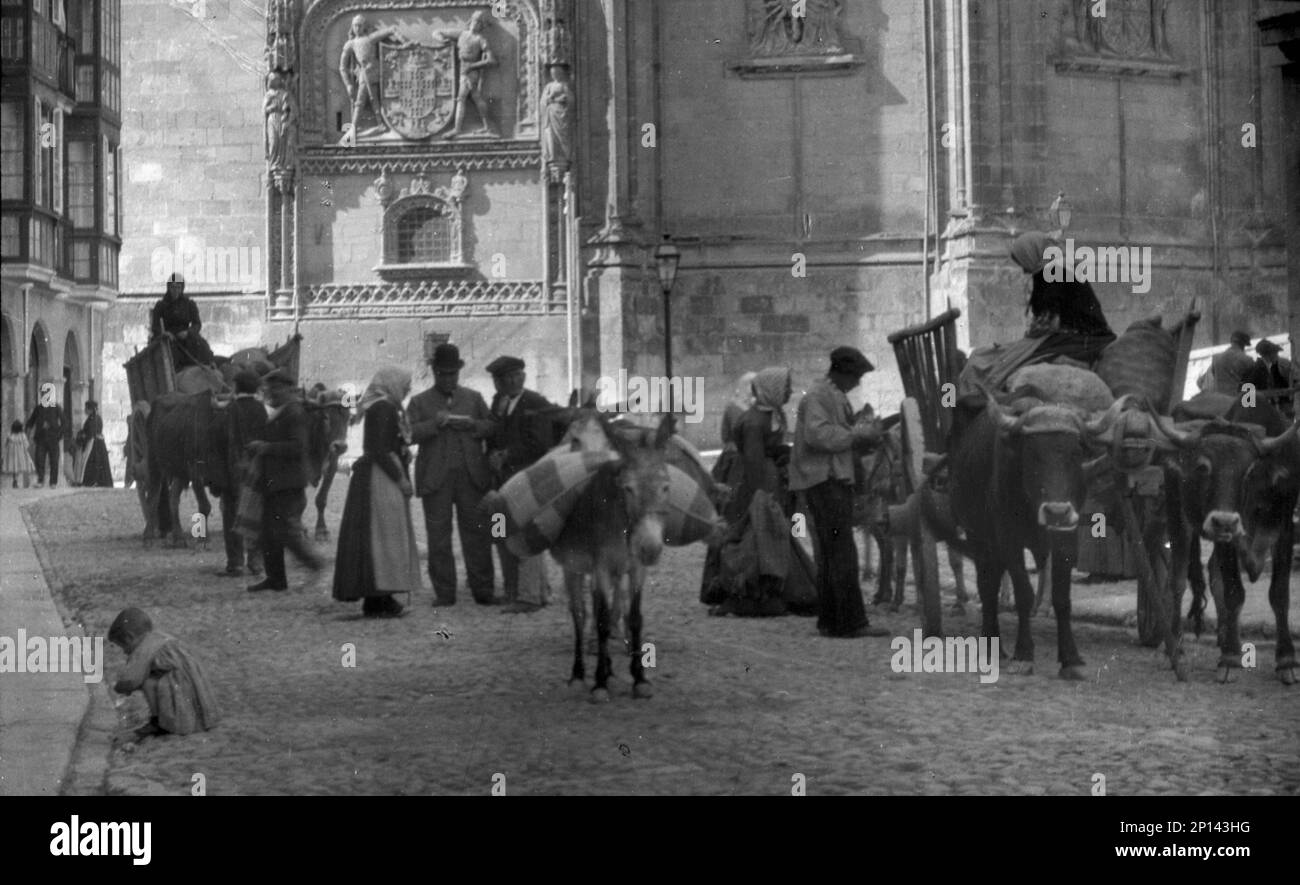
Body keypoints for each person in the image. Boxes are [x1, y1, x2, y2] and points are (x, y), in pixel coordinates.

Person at [789, 347, 890, 638]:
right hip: (825, 481)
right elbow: (817, 435)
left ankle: (831, 620)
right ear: (841, 372)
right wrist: (856, 435)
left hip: (828, 480)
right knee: (842, 551)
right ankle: (852, 623)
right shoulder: (820, 395)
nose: (857, 383)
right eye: (856, 376)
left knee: (833, 552)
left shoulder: (829, 394)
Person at [703, 367, 818, 617]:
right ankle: (749, 595)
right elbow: (753, 460)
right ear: (773, 389)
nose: (789, 392)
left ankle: (773, 592)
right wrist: (762, 496)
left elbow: (770, 448)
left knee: (769, 536)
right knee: (754, 537)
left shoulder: (770, 415)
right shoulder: (754, 421)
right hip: (756, 486)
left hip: (769, 479)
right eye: (785, 388)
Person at [408, 344, 498, 606]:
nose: (449, 379)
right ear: (435, 372)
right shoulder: (419, 402)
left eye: (453, 374)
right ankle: (445, 593)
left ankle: (484, 591)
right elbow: (408, 434)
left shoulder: (473, 398)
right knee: (438, 539)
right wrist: (433, 424)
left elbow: (492, 426)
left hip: (472, 478)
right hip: (436, 480)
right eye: (444, 374)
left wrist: (474, 425)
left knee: (478, 535)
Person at [333, 368, 422, 618]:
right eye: (405, 384)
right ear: (392, 384)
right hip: (380, 478)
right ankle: (380, 598)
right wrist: (401, 478)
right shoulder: (383, 408)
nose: (407, 389)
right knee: (383, 538)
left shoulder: (382, 406)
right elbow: (381, 449)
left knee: (380, 538)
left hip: (376, 476)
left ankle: (378, 598)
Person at [485, 355, 558, 614]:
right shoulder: (498, 403)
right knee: (501, 535)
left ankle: (529, 596)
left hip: (526, 481)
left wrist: (507, 455)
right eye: (502, 379)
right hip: (500, 482)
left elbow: (540, 443)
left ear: (522, 377)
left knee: (525, 534)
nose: (509, 382)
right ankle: (517, 590)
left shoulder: (535, 404)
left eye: (515, 376)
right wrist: (493, 455)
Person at [246, 369, 323, 593]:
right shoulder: (279, 411)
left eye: (277, 388)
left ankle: (315, 564)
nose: (273, 392)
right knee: (269, 534)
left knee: (285, 532)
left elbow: (298, 447)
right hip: (275, 482)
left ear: (289, 389)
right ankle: (275, 579)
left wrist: (265, 447)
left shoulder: (294, 413)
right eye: (270, 389)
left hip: (288, 483)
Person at [108, 607, 220, 739]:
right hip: (193, 685)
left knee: (148, 682)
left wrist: (119, 687)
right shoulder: (161, 638)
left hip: (178, 686)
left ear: (130, 637)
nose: (125, 652)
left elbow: (131, 680)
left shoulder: (144, 648)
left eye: (124, 646)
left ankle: (160, 723)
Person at [1010, 231, 1116, 368]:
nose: (1024, 270)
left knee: (1018, 357)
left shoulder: (1054, 272)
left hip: (1086, 340)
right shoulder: (1053, 269)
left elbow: (1047, 324)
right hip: (1087, 337)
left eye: (1024, 262)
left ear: (1032, 253)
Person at [214, 371, 267, 577]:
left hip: (234, 473)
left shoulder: (230, 410)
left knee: (232, 518)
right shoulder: (262, 410)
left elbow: (215, 437)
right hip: (258, 474)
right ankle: (256, 562)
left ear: (236, 387)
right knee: (257, 517)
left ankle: (235, 563)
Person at [434, 10, 498, 138]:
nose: (476, 24)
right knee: (476, 98)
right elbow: (436, 32)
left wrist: (472, 66)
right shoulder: (461, 34)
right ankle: (489, 127)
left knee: (461, 98)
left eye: (479, 23)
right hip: (463, 69)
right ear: (470, 21)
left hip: (471, 72)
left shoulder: (480, 39)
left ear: (481, 26)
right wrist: (444, 40)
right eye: (474, 21)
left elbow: (492, 60)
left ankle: (457, 129)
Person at [149, 272, 214, 369]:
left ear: (182, 288)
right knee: (170, 355)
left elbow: (197, 324)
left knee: (202, 346)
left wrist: (188, 332)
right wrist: (165, 333)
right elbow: (155, 326)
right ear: (168, 288)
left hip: (185, 336)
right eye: (173, 287)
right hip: (168, 338)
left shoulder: (189, 304)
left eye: (178, 287)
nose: (175, 291)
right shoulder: (161, 305)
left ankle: (210, 366)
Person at [1244, 338, 1299, 419]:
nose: (1277, 356)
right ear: (1269, 354)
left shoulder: (1265, 367)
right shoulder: (1259, 369)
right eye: (1275, 353)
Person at [25, 389, 64, 489]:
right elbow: (31, 421)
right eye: (42, 394)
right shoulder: (38, 408)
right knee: (39, 460)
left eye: (46, 394)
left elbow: (64, 423)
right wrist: (26, 435)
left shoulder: (56, 407)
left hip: (53, 439)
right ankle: (40, 480)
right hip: (40, 439)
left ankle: (53, 482)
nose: (44, 395)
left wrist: (58, 435)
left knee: (54, 461)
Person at [1198, 330, 1256, 397]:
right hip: (1238, 400)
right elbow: (1252, 382)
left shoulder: (1217, 358)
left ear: (1231, 342)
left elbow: (1208, 378)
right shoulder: (1247, 360)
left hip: (1220, 399)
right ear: (1243, 344)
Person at [78, 401, 113, 487]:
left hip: (93, 444)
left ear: (89, 409)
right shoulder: (97, 418)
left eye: (86, 408)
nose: (85, 410)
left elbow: (91, 432)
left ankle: (92, 481)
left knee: (92, 463)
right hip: (98, 443)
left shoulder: (92, 419)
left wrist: (82, 435)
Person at [4, 420, 35, 489]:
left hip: (12, 455)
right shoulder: (22, 435)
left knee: (15, 468)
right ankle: (26, 481)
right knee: (26, 466)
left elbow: (6, 444)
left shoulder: (10, 435)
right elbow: (26, 445)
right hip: (21, 454)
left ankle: (15, 480)